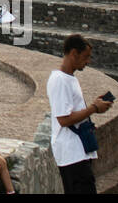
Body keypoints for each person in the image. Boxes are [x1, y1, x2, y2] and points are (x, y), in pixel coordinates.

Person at [48, 34, 112, 193]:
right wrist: (93, 108)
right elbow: (63, 119)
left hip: (79, 151)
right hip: (71, 154)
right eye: (86, 57)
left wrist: (94, 106)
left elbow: (73, 112)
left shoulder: (70, 79)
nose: (88, 61)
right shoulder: (59, 80)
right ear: (74, 53)